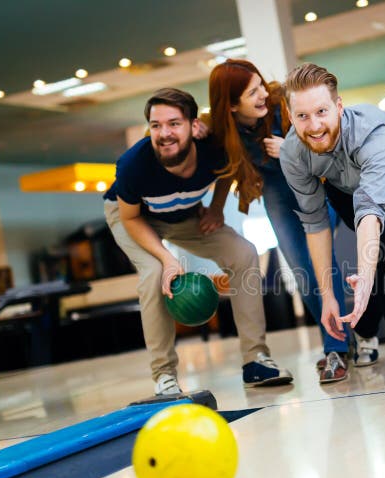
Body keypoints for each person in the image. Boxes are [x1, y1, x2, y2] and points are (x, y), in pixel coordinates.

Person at [103, 88, 293, 395]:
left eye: (174, 123)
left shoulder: (213, 150)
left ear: (194, 126)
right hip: (136, 218)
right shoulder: (133, 164)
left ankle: (256, 360)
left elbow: (227, 171)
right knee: (155, 273)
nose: (164, 133)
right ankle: (164, 376)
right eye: (156, 125)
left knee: (243, 253)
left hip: (186, 214)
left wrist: (216, 208)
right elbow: (131, 218)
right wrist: (167, 258)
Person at [279, 63, 385, 386]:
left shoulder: (372, 132)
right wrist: (328, 296)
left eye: (321, 112)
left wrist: (365, 276)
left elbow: (371, 211)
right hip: (347, 194)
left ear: (338, 106)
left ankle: (369, 333)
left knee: (378, 263)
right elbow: (315, 222)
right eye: (302, 116)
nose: (314, 125)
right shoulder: (293, 152)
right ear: (290, 116)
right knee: (382, 260)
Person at [208, 59, 352, 384]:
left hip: (314, 187)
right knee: (302, 273)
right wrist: (216, 209)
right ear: (231, 105)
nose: (262, 94)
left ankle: (337, 349)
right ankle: (340, 341)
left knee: (322, 264)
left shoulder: (283, 107)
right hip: (277, 195)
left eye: (260, 85)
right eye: (252, 93)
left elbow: (327, 143)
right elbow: (226, 169)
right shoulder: (228, 133)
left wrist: (291, 149)